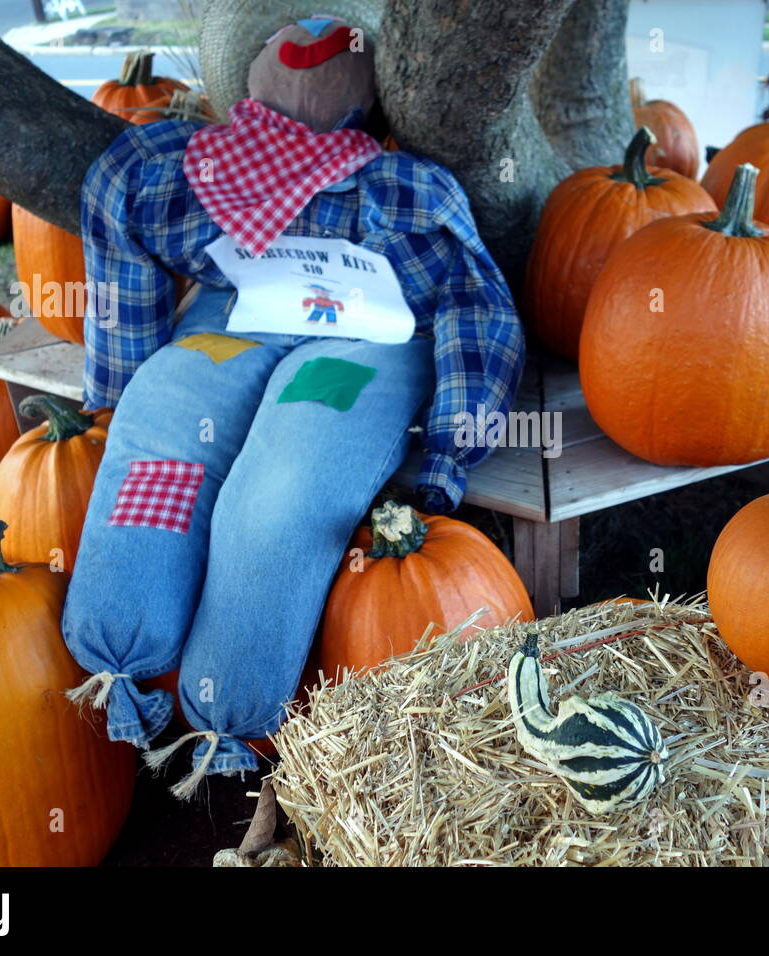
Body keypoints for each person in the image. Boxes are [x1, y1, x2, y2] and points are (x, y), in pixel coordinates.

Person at [62, 14, 524, 796]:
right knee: (172, 415)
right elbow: (477, 309)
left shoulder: (390, 192)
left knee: (291, 473)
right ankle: (130, 646)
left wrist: (449, 448)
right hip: (232, 317)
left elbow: (474, 311)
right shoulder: (394, 188)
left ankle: (226, 703)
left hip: (363, 336)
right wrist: (129, 379)